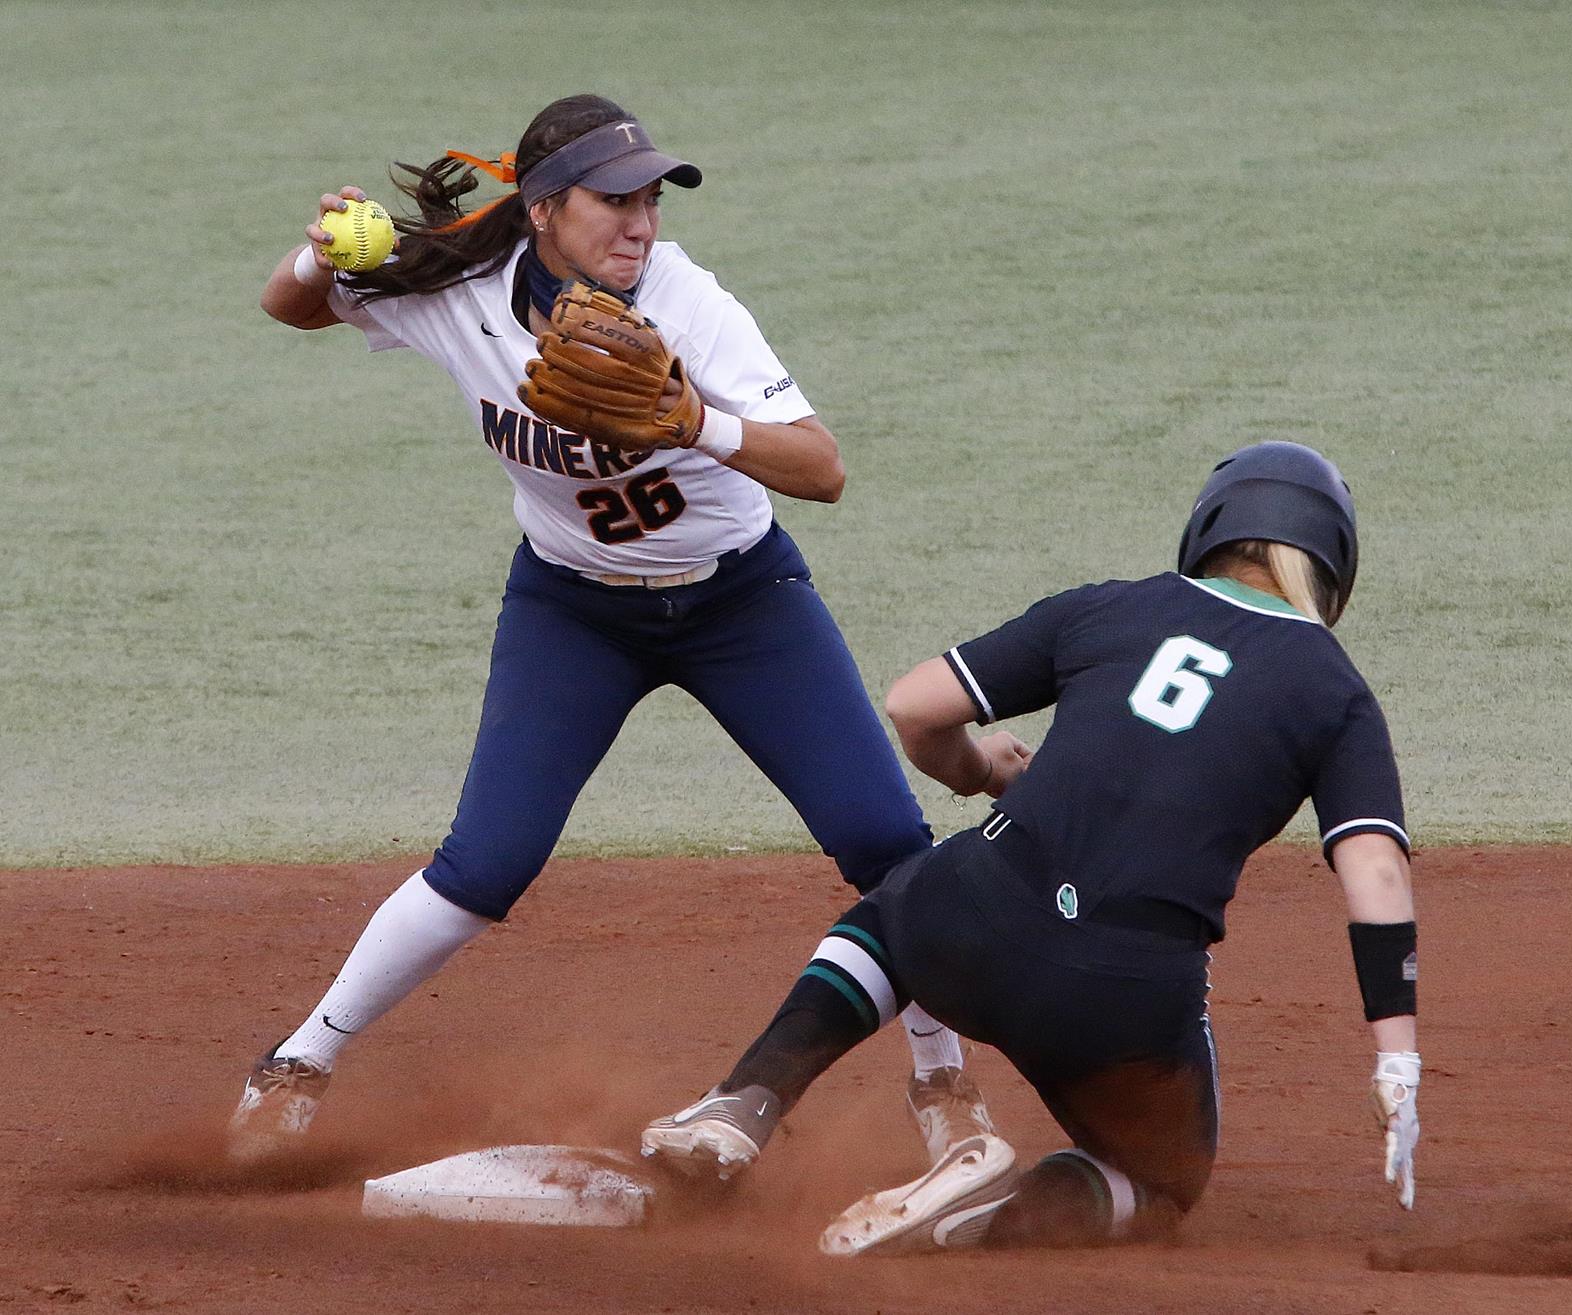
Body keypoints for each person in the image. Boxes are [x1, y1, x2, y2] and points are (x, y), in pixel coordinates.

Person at [228, 94, 1004, 1185]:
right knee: (485, 862)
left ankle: (939, 1077)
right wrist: (314, 258)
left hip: (742, 604)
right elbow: (291, 308)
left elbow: (821, 467)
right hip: (572, 609)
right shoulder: (459, 281)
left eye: (649, 199)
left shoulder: (688, 305)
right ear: (544, 210)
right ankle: (296, 1064)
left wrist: (693, 423)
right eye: (614, 200)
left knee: (885, 839)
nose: (639, 222)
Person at [639, 441, 1422, 1255]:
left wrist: (984, 771)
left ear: (1207, 531)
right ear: (1334, 568)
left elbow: (914, 707)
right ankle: (992, 1212)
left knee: (890, 918)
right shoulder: (1338, 693)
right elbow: (1374, 869)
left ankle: (744, 1101)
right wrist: (1396, 1060)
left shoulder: (1111, 606)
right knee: (1162, 1180)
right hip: (1122, 999)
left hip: (976, 916)